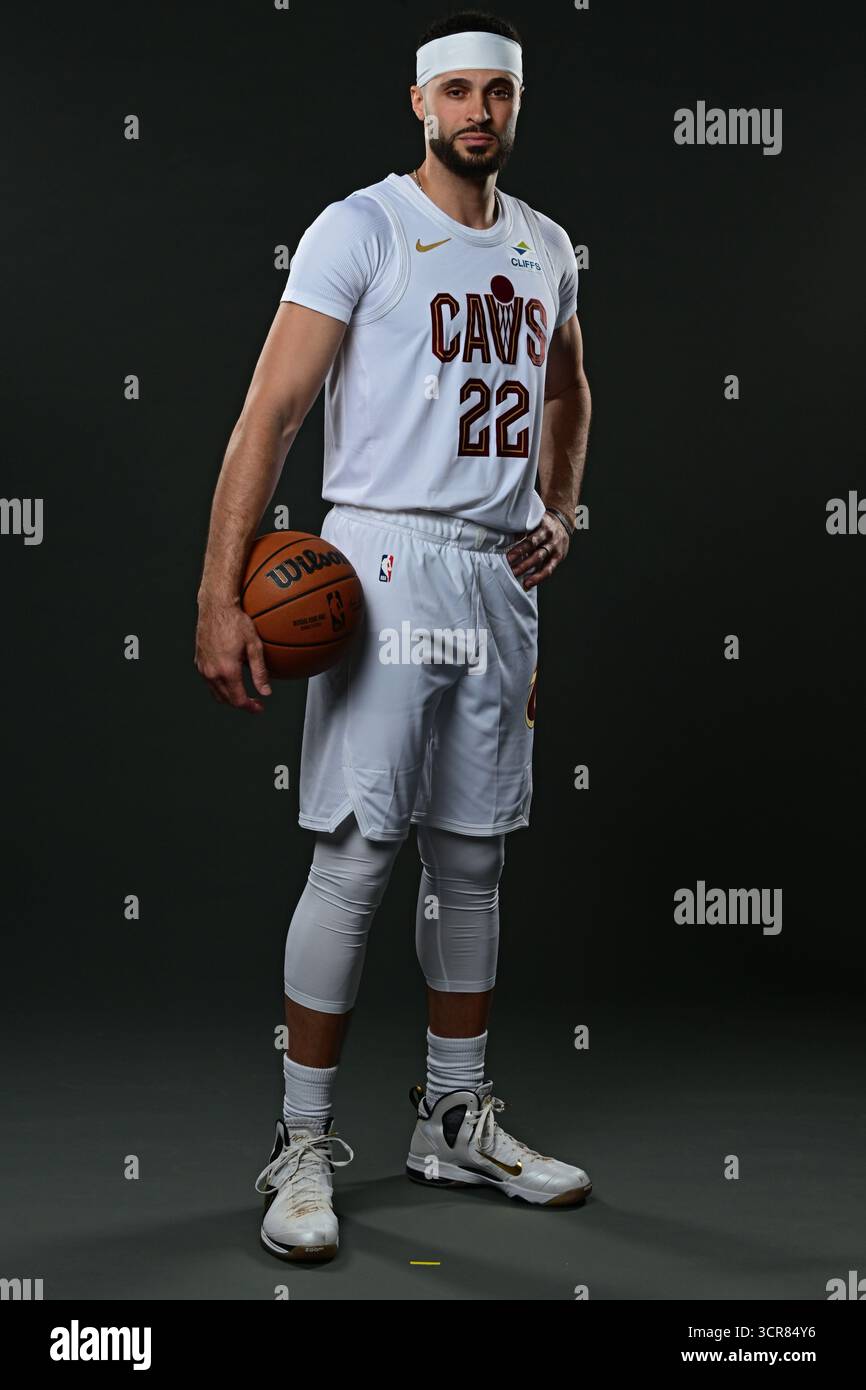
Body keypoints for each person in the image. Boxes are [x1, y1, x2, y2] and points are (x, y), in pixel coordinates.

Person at [195, 9, 593, 1263]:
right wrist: (217, 593)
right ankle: (303, 1140)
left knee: (472, 858)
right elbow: (269, 412)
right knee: (359, 853)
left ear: (515, 109)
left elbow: (568, 387)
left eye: (499, 94)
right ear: (419, 105)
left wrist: (560, 509)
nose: (480, 111)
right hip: (374, 559)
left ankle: (452, 1118)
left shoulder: (544, 248)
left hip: (494, 575)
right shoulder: (358, 226)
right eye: (457, 93)